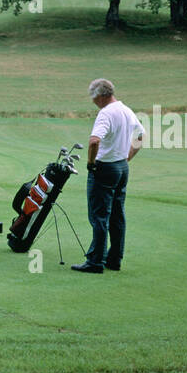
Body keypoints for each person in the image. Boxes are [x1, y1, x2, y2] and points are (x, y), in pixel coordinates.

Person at [73, 78, 144, 274]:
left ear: (101, 95)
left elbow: (94, 141)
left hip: (105, 168)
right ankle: (114, 259)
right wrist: (127, 156)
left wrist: (90, 163)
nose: (93, 102)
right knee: (117, 215)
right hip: (121, 167)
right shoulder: (126, 110)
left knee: (99, 216)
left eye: (94, 98)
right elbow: (141, 135)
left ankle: (95, 261)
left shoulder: (106, 114)